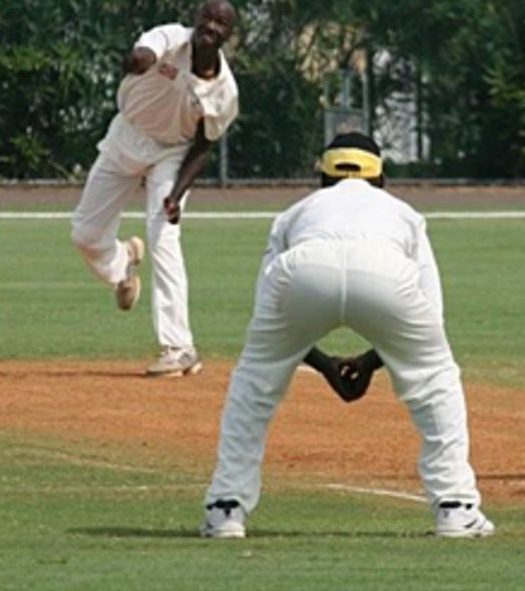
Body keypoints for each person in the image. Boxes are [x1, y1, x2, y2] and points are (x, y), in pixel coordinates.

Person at [201, 132, 492, 539]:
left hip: (304, 266)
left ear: (322, 178)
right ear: (381, 179)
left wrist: (323, 365)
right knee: (435, 376)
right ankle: (456, 508)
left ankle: (225, 510)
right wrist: (371, 363)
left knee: (254, 381)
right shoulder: (405, 214)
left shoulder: (294, 213)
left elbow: (270, 310)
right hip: (384, 268)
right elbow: (431, 316)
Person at [71, 0, 239, 377]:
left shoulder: (224, 92)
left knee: (163, 237)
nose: (212, 26)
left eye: (221, 23)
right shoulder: (170, 38)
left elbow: (203, 146)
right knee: (84, 235)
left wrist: (176, 195)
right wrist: (139, 60)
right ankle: (121, 265)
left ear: (229, 34)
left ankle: (180, 348)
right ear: (197, 19)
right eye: (207, 18)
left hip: (173, 152)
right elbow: (145, 51)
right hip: (127, 135)